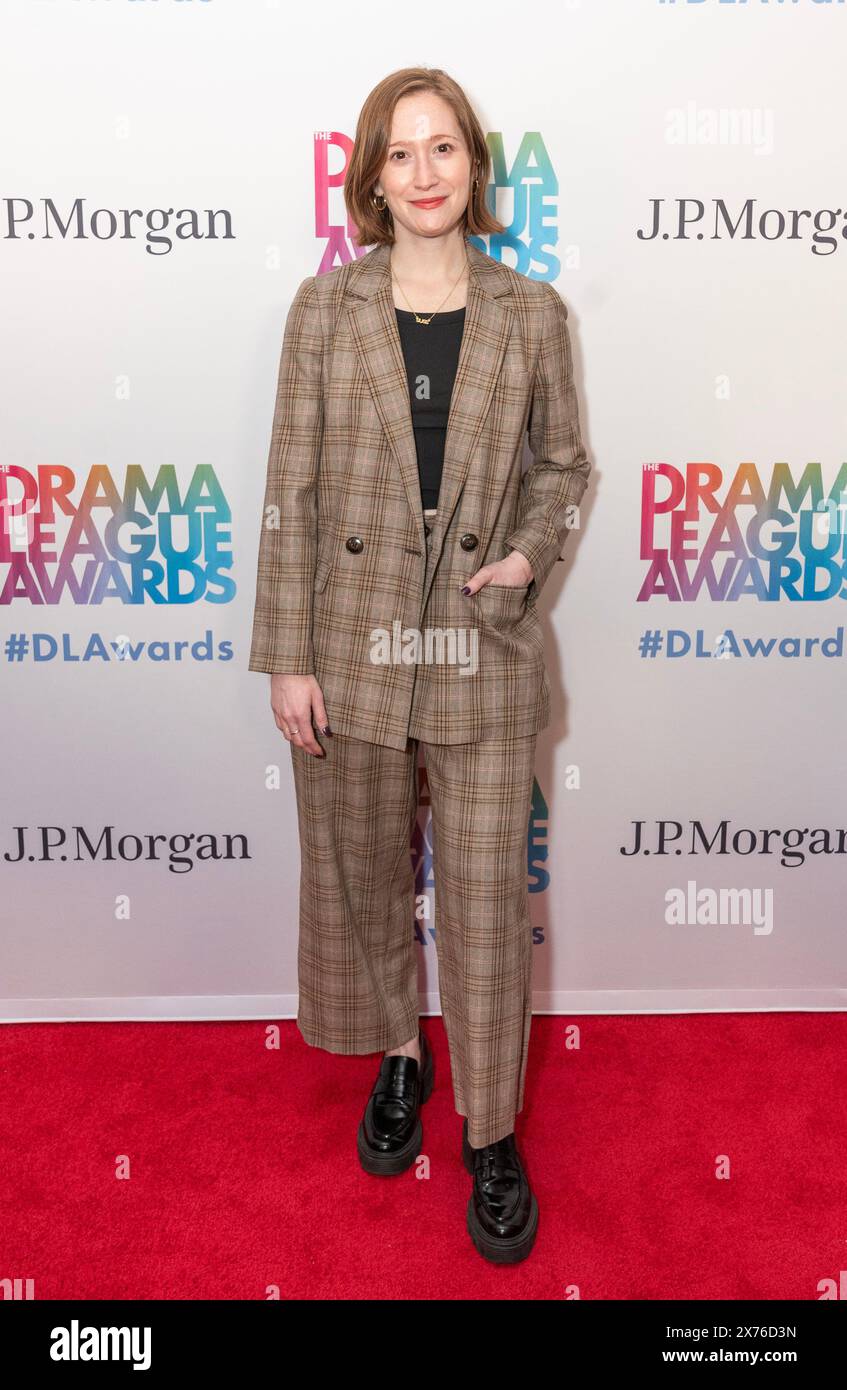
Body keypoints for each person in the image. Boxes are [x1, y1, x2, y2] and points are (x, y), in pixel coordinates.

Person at [248, 66, 591, 1265]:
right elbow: (290, 491)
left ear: (476, 168)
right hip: (352, 647)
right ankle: (401, 1055)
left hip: (479, 649)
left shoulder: (532, 312)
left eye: (446, 148)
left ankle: (489, 1132)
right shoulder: (323, 309)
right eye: (402, 153)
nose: (427, 172)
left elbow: (564, 468)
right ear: (371, 179)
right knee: (362, 879)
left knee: (490, 905)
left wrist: (528, 553)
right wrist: (286, 655)